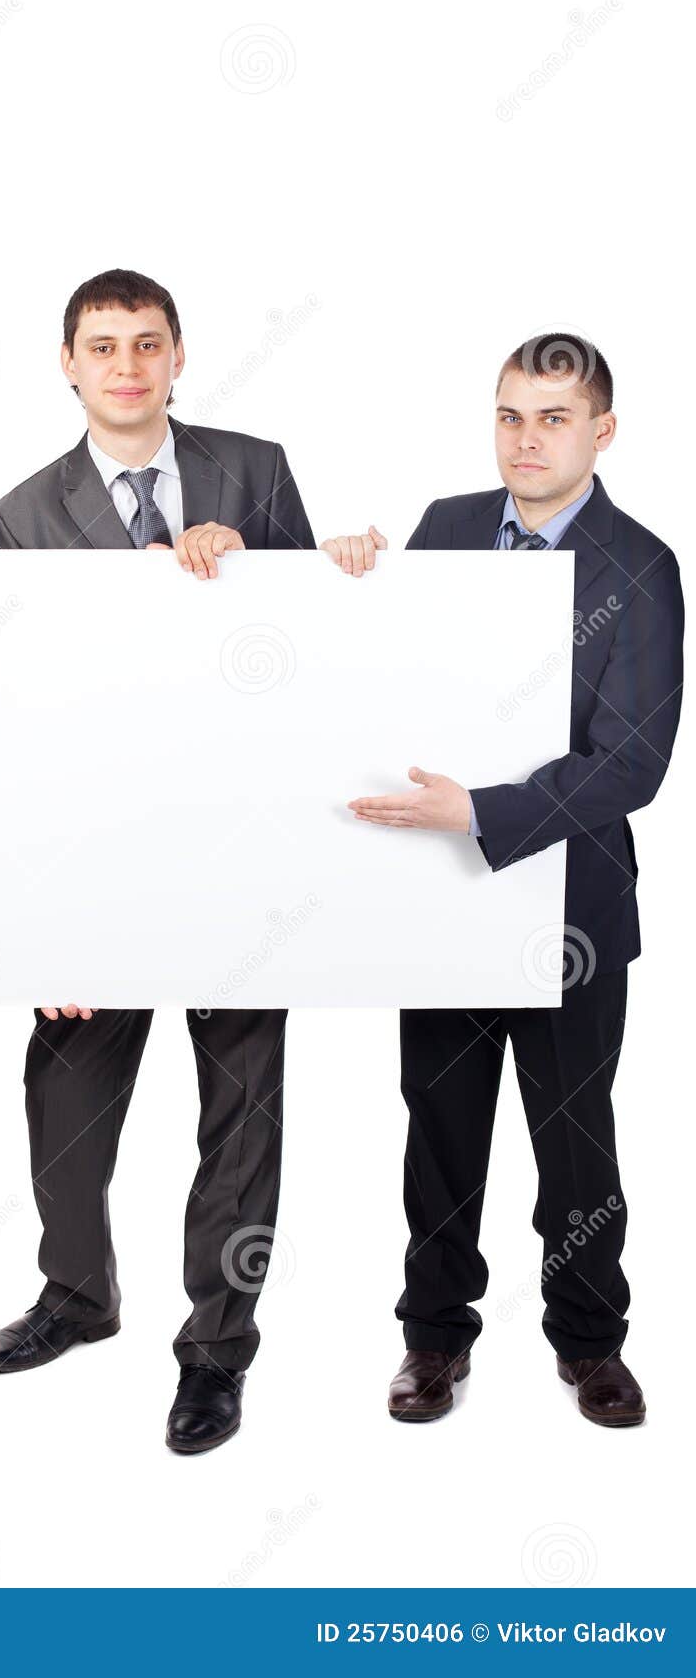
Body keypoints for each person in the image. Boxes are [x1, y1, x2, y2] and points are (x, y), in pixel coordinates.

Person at [0, 266, 377, 1452]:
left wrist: (272, 561)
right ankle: (77, 1294)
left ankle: (214, 1351)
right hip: (96, 862)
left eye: (146, 343)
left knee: (241, 1112)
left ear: (179, 353)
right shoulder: (18, 515)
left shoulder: (253, 469)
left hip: (242, 851)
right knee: (63, 1101)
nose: (126, 366)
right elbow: (9, 723)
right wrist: (34, 908)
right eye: (101, 347)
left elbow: (318, 648)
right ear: (67, 363)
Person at [347, 333, 684, 1427]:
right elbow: (386, 668)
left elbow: (630, 762)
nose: (524, 439)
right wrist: (347, 575)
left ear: (602, 429)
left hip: (570, 909)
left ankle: (588, 1341)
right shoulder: (444, 529)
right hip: (441, 895)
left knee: (574, 1141)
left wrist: (484, 812)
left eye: (550, 417)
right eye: (507, 415)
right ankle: (433, 1339)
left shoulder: (638, 565)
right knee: (438, 1132)